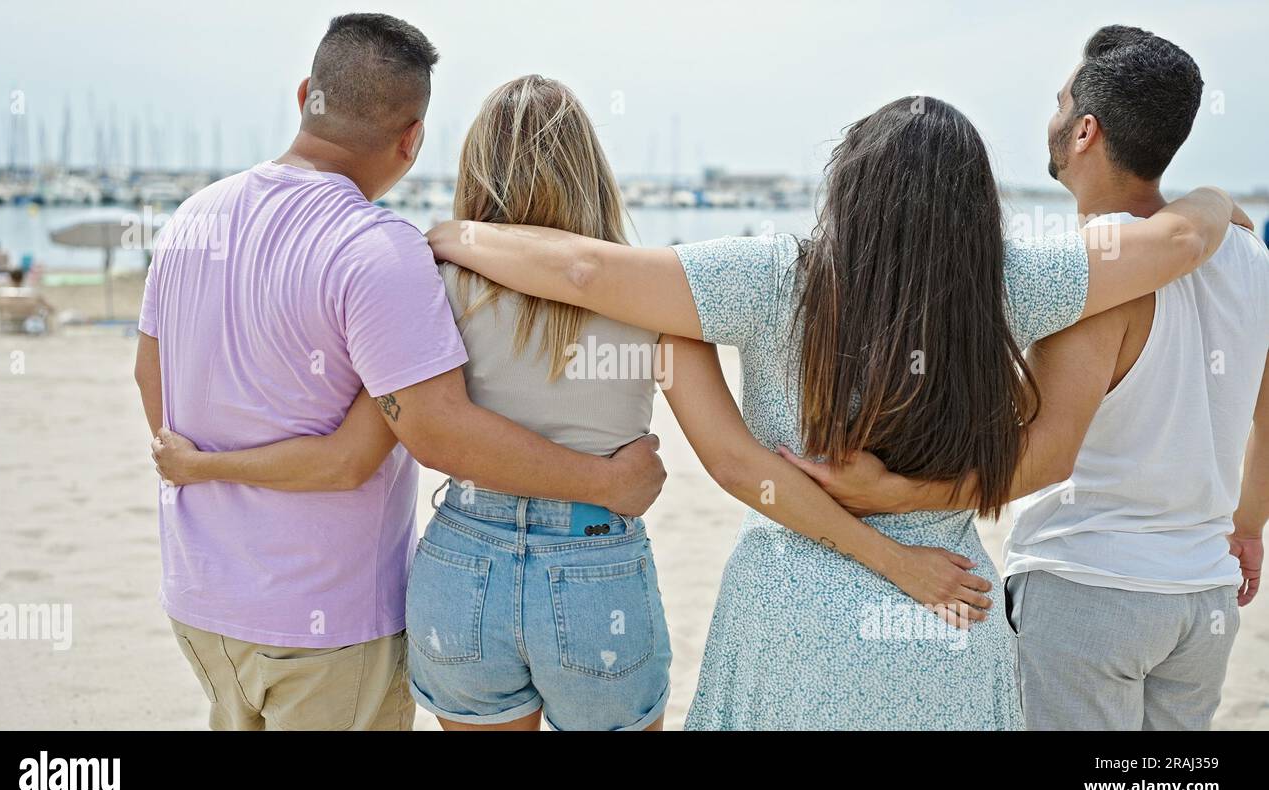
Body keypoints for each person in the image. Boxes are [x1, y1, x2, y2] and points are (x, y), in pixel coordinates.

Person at [153, 74, 962, 731]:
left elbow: (387, 432)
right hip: (594, 567)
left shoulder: (426, 280)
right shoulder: (654, 297)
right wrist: (890, 550)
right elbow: (734, 463)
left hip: (460, 561)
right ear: (591, 168)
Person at [423, 96, 1242, 728]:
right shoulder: (1011, 278)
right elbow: (1173, 245)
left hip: (786, 620)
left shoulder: (773, 276)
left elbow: (582, 270)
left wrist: (454, 232)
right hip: (951, 617)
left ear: (847, 183)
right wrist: (1210, 197)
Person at [134, 15, 664, 732]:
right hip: (324, 618)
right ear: (411, 137)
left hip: (201, 601)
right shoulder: (375, 249)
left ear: (305, 96)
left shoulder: (193, 218)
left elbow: (150, 377)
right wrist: (606, 482)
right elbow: (417, 438)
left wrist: (204, 469)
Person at [781, 26, 1266, 732]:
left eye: (1059, 101)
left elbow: (1043, 457)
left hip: (1089, 590)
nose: (1053, 116)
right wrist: (1247, 523)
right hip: (1203, 603)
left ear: (1084, 132)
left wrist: (899, 492)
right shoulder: (1250, 257)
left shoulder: (1090, 276)